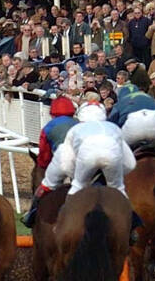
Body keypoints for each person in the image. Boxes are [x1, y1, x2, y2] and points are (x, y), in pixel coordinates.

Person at [33, 101, 142, 240]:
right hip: (112, 158)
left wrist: (50, 183)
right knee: (119, 189)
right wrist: (114, 177)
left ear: (80, 116)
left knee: (77, 188)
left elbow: (64, 162)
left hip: (86, 158)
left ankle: (61, 222)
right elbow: (130, 163)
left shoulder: (75, 130)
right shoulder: (114, 128)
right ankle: (132, 227)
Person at [109, 80, 155, 159]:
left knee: (119, 153)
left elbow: (111, 125)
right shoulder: (149, 97)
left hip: (133, 127)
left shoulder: (121, 102)